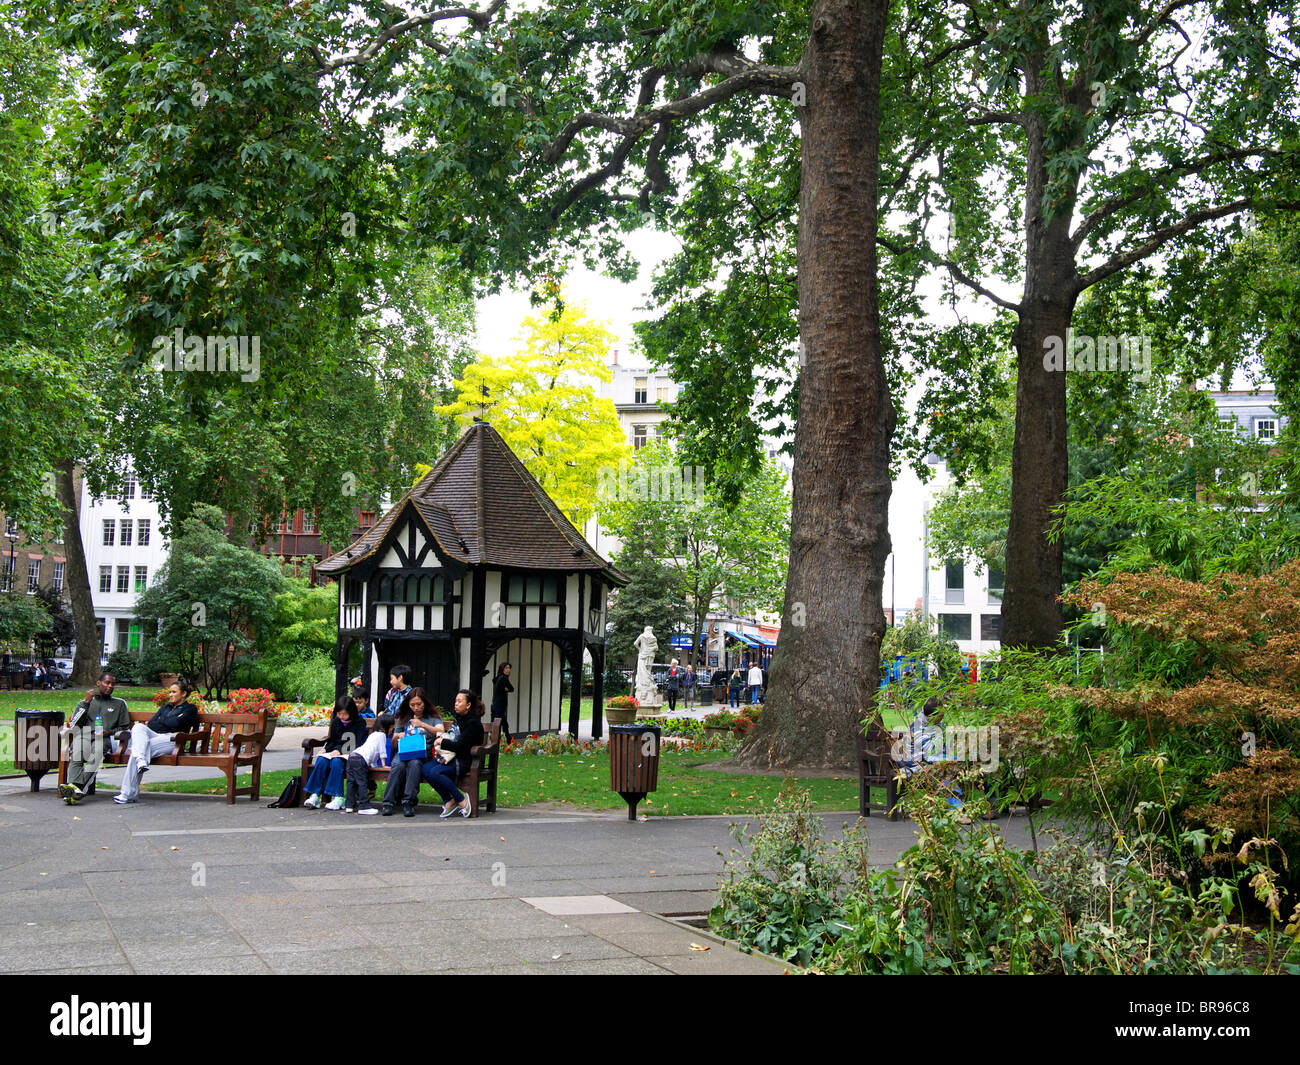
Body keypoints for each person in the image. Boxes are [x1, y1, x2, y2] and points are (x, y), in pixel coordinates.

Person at [113, 679, 202, 804]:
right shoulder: (166, 707)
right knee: (138, 727)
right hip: (156, 737)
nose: (170, 695)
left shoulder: (190, 709)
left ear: (183, 694)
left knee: (139, 751)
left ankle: (127, 794)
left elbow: (176, 724)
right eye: (170, 692)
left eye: (174, 692)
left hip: (174, 741)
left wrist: (165, 722)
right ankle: (140, 761)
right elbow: (152, 724)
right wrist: (169, 722)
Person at [59, 672, 132, 804]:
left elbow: (125, 728)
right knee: (77, 754)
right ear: (98, 683)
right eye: (107, 683)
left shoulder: (119, 704)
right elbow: (74, 724)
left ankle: (76, 787)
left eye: (112, 684)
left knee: (96, 753)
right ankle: (75, 790)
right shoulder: (85, 702)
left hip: (103, 738)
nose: (110, 686)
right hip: (85, 735)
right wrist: (86, 703)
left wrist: (108, 732)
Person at [382, 688, 444, 817]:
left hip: (422, 754)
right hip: (404, 751)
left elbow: (441, 732)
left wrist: (422, 724)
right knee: (398, 765)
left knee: (415, 764)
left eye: (419, 704)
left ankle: (408, 803)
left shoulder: (432, 718)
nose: (416, 708)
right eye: (412, 705)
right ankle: (388, 803)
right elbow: (393, 741)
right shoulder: (404, 718)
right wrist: (398, 736)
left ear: (425, 703)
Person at [303, 696, 369, 810]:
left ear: (351, 712)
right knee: (322, 760)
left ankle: (338, 797)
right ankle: (314, 795)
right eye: (339, 714)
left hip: (352, 756)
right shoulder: (337, 722)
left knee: (336, 762)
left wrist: (340, 750)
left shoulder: (359, 723)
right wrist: (326, 749)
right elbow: (332, 740)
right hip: (335, 753)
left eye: (344, 714)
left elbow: (358, 743)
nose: (341, 717)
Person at [428, 688, 485, 819]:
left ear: (468, 705)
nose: (456, 704)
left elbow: (460, 746)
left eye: (459, 701)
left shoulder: (473, 723)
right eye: (455, 701)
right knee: (425, 769)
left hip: (465, 760)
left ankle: (462, 800)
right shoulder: (460, 719)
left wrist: (442, 742)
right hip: (452, 757)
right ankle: (449, 800)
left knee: (435, 772)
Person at [344, 713, 395, 815]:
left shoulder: (373, 734)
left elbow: (371, 752)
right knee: (362, 782)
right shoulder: (381, 735)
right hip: (360, 759)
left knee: (351, 782)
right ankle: (364, 806)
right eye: (391, 729)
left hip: (353, 756)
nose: (391, 732)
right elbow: (382, 751)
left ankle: (349, 805)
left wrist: (373, 765)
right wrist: (384, 764)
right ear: (385, 727)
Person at [491, 662, 514, 743]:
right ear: (502, 669)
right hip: (500, 705)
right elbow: (512, 688)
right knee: (500, 724)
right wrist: (505, 689)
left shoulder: (498, 678)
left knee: (502, 723)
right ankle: (501, 741)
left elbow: (493, 680)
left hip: (495, 704)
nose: (508, 670)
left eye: (509, 668)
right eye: (506, 668)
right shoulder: (503, 678)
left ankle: (507, 740)